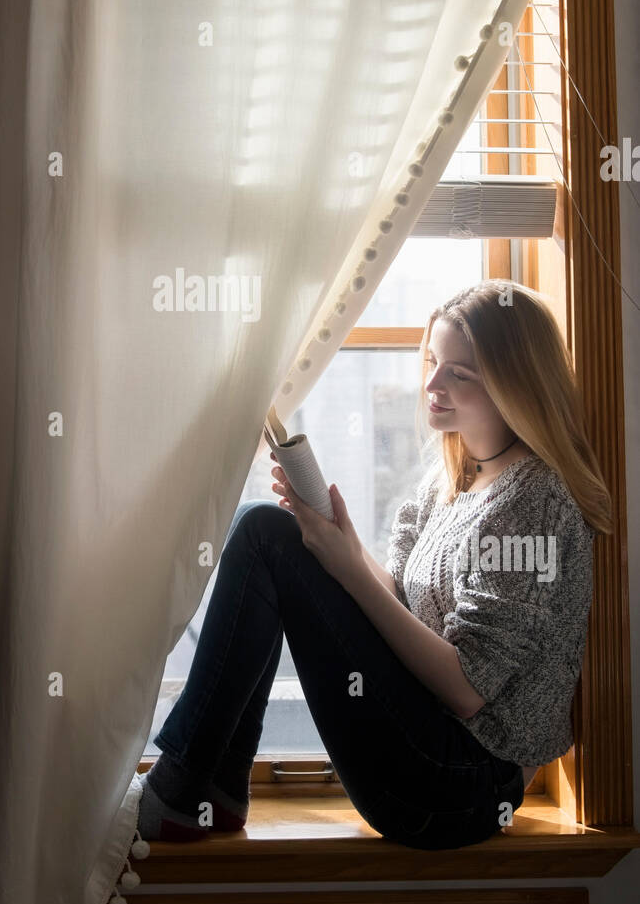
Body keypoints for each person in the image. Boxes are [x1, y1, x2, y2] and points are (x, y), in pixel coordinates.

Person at [137, 280, 613, 849]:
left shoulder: (535, 502)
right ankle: (211, 787)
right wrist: (340, 542)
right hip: (429, 752)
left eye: (459, 373)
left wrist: (347, 568)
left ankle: (184, 785)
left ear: (515, 383)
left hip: (463, 786)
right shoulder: (452, 482)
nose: (432, 384)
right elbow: (401, 613)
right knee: (272, 529)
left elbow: (467, 691)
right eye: (433, 361)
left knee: (266, 534)